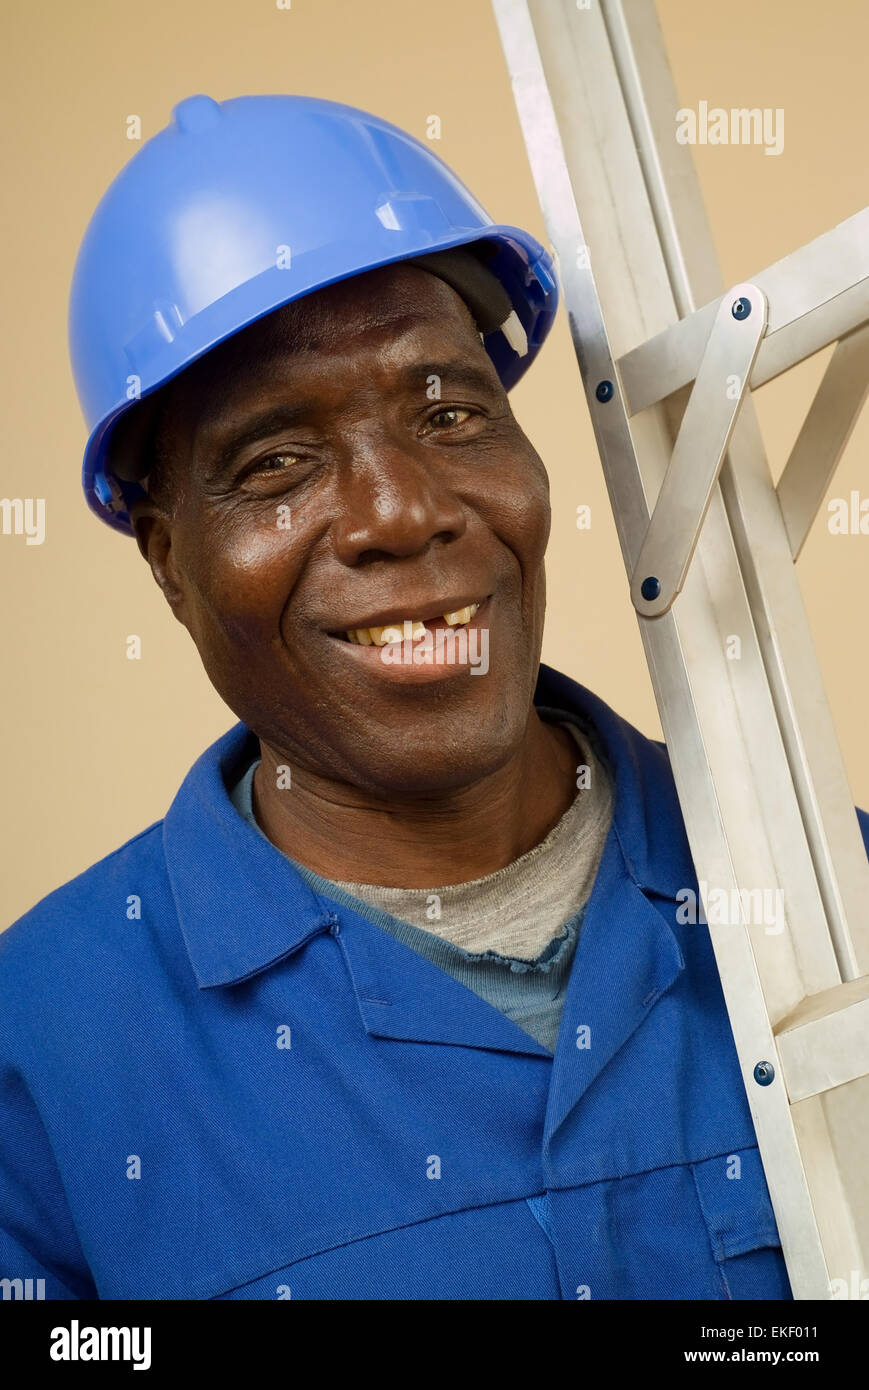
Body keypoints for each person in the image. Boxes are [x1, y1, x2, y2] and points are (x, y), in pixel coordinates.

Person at [1, 92, 844, 1302]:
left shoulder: (827, 898)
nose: (404, 510)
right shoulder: (43, 1054)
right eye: (276, 463)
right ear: (167, 559)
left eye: (450, 412)